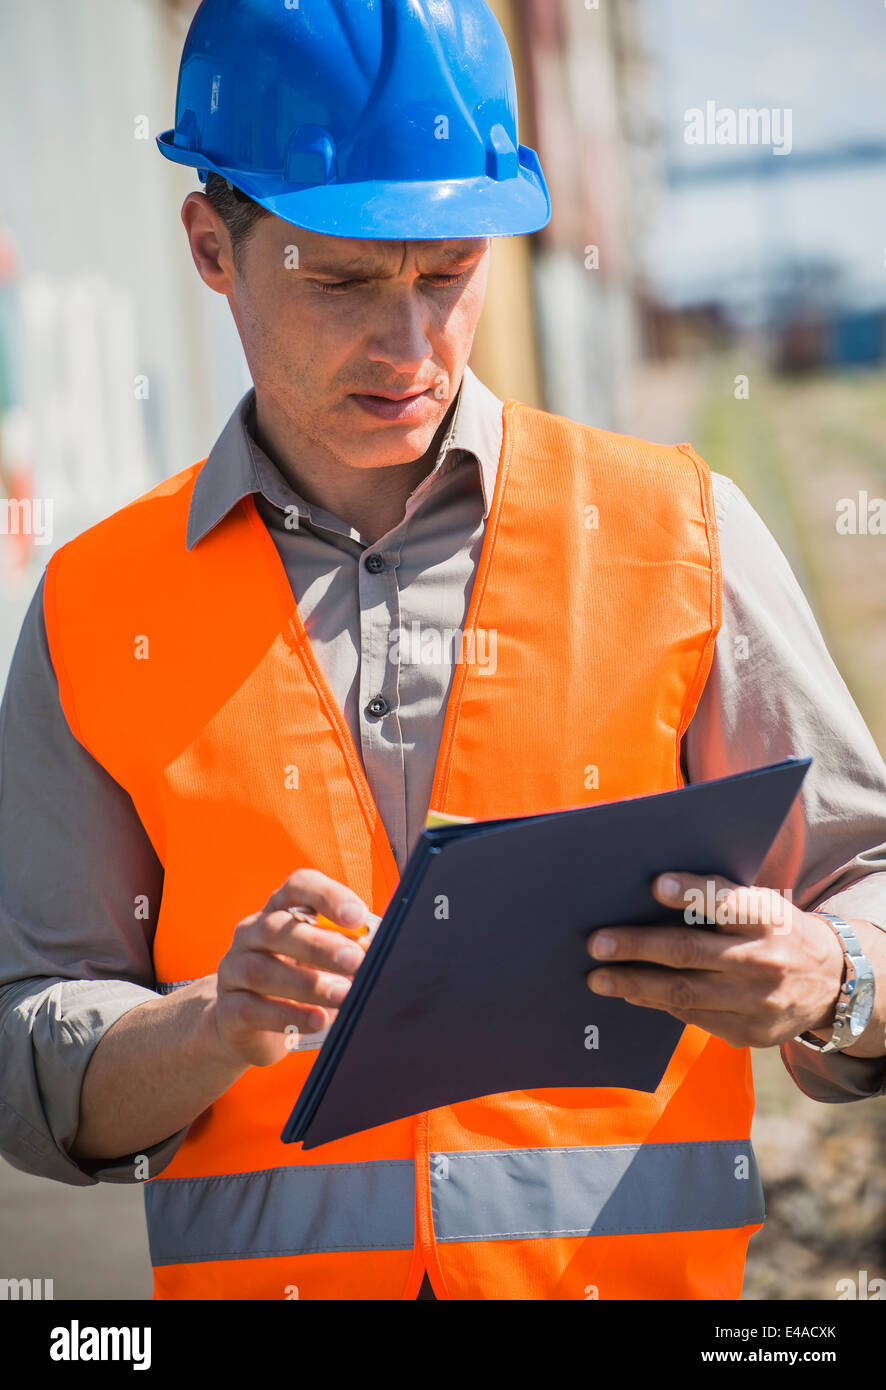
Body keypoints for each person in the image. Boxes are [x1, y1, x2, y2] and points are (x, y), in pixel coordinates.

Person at [1, 0, 884, 1302]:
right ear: (211, 243)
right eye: (346, 278)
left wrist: (829, 976)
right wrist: (212, 1025)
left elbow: (863, 875)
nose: (409, 346)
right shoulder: (96, 603)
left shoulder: (675, 529)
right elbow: (28, 1054)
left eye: (450, 271)